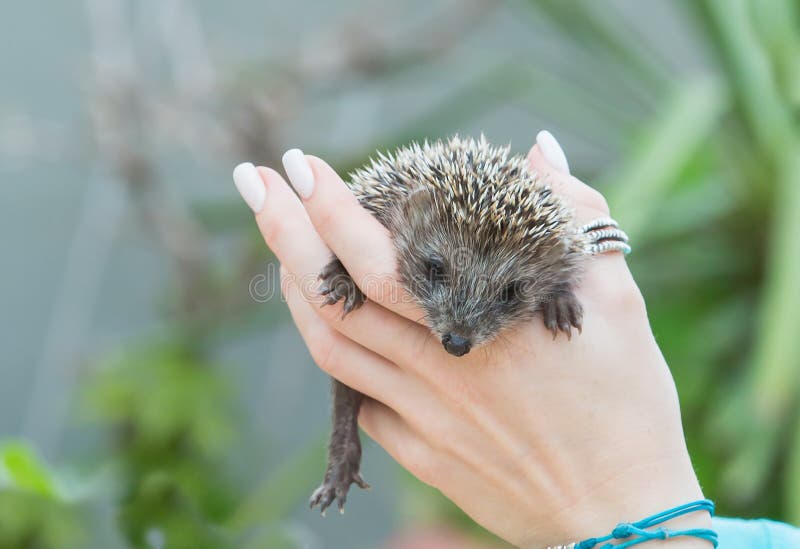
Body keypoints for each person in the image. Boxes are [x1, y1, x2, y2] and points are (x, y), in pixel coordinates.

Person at [232, 131, 800, 548]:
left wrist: (627, 504)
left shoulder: (551, 270)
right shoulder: (400, 210)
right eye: (435, 272)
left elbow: (563, 273)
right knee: (355, 350)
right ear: (410, 214)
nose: (457, 333)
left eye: (506, 297)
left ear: (547, 273)